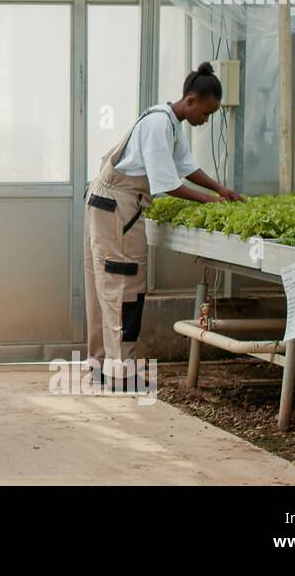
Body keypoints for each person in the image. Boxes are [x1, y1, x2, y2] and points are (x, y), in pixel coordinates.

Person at [84, 61, 244, 386]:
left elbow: (185, 166)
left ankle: (101, 365)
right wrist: (211, 202)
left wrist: (219, 189)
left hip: (112, 203)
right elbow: (165, 184)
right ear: (191, 100)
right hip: (118, 207)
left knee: (107, 284)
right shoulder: (160, 124)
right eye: (207, 113)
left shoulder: (168, 120)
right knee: (123, 287)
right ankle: (119, 372)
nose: (205, 120)